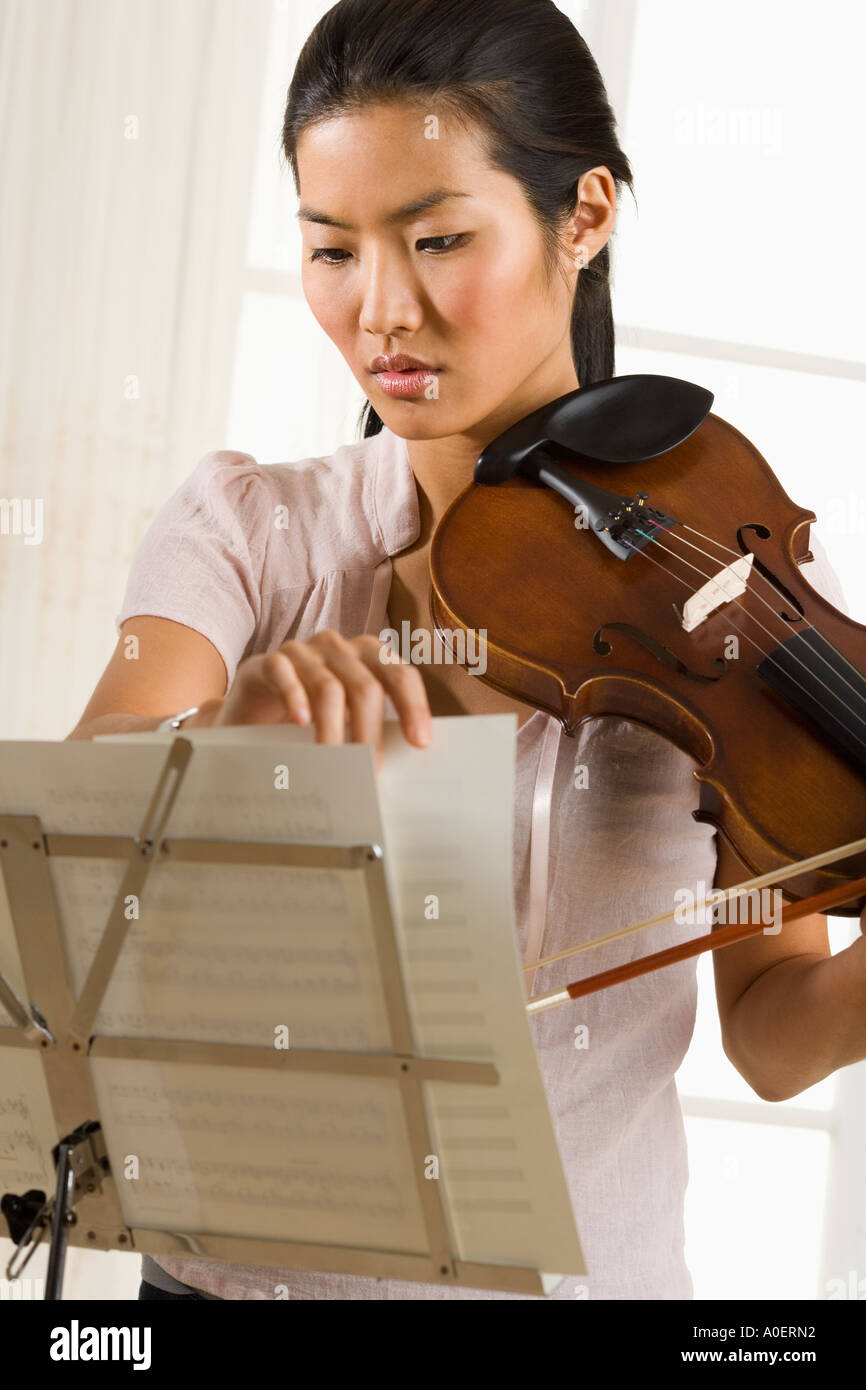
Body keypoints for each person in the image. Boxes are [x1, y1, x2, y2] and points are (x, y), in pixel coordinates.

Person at [69, 0, 865, 1301]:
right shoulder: (254, 532)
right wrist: (231, 744)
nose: (381, 308)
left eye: (438, 238)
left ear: (585, 215)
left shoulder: (743, 579)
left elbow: (776, 1029)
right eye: (332, 249)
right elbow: (74, 838)